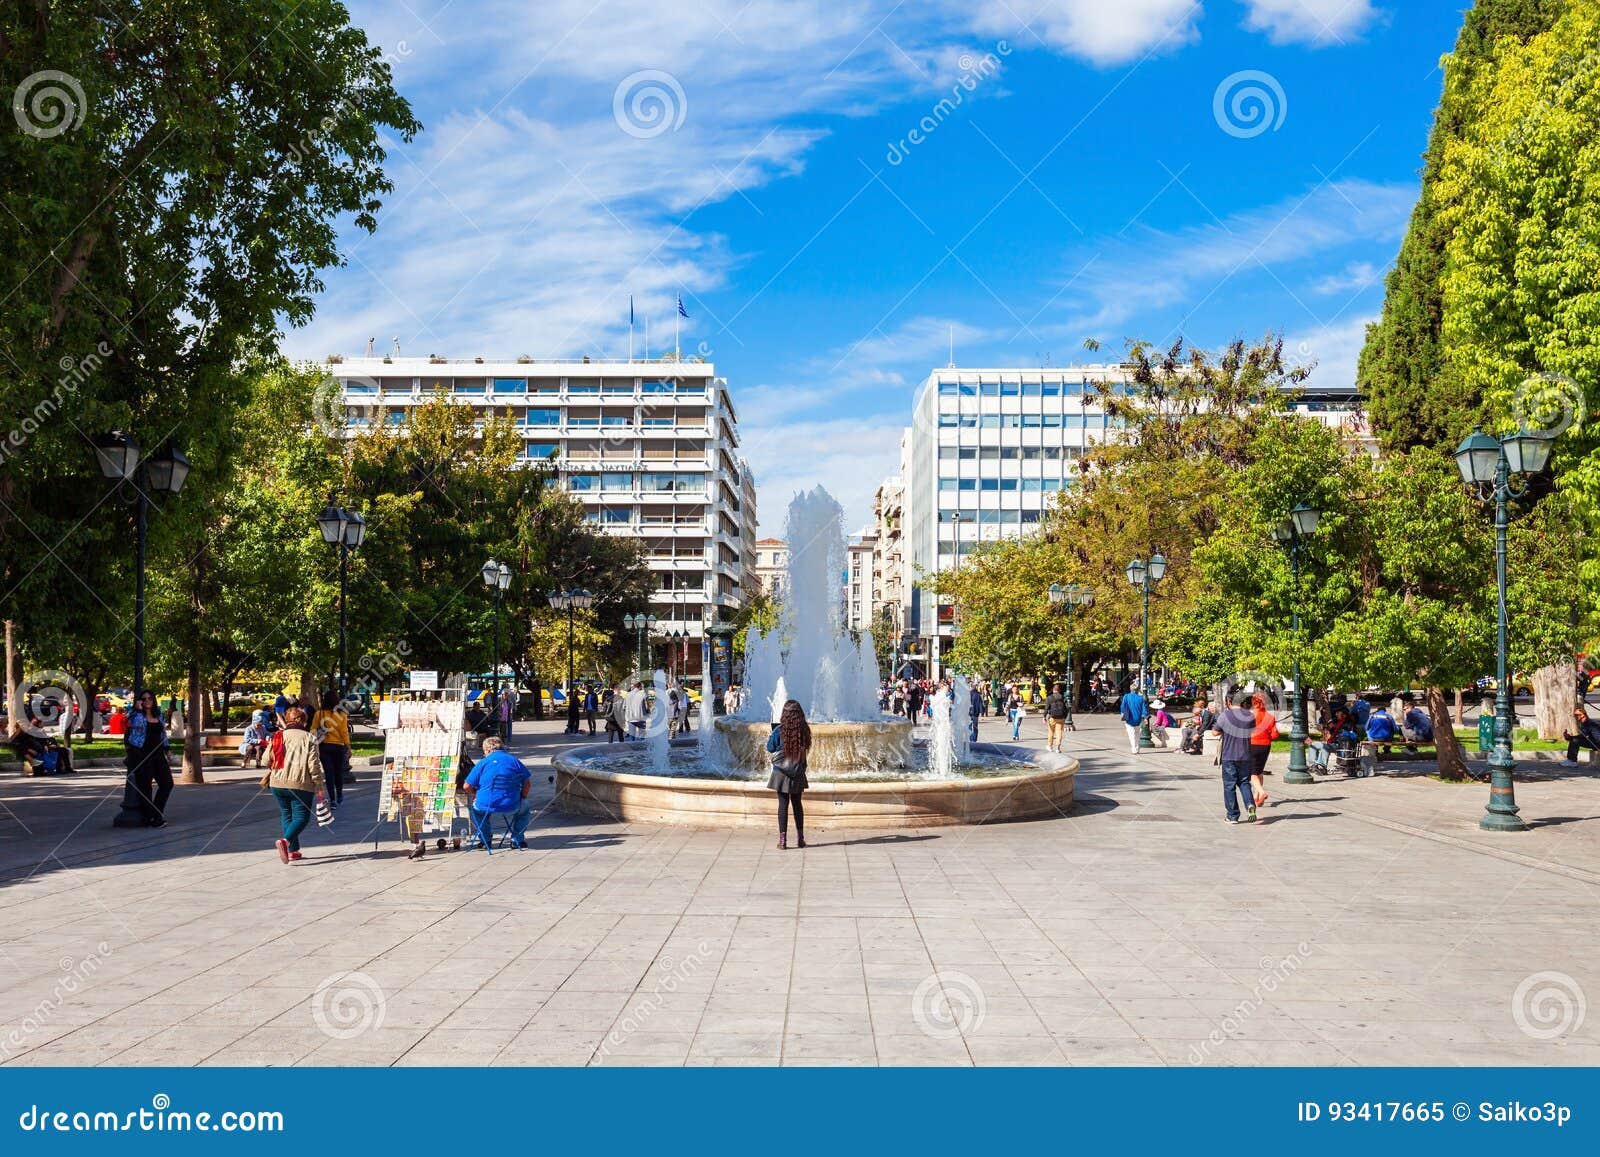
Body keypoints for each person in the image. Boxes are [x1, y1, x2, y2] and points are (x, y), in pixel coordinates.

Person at [266, 706, 328, 863]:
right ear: (303, 721)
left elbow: (265, 760)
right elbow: (314, 765)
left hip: (277, 784)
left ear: (287, 720)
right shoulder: (309, 738)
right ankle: (285, 842)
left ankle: (293, 851)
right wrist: (319, 787)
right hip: (300, 784)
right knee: (302, 817)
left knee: (287, 815)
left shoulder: (278, 736)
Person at [463, 735, 534, 848]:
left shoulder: (483, 763)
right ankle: (517, 839)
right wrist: (523, 796)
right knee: (524, 808)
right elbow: (527, 783)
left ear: (488, 750)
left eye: (484, 752)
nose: (484, 754)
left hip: (485, 804)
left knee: (477, 810)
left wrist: (475, 795)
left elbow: (466, 786)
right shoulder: (514, 760)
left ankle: (486, 839)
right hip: (511, 804)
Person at [765, 699, 811, 850]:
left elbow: (770, 748)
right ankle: (800, 838)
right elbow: (807, 747)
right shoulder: (804, 731)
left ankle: (783, 840)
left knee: (783, 805)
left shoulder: (779, 730)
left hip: (781, 773)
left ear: (784, 714)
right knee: (797, 804)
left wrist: (772, 734)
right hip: (797, 771)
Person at [124, 691, 173, 827]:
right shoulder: (134, 715)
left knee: (167, 783)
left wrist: (167, 749)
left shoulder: (158, 714)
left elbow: (163, 734)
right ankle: (151, 818)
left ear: (154, 700)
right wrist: (139, 710)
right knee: (146, 789)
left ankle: (155, 814)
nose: (147, 701)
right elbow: (136, 726)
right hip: (142, 755)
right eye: (143, 699)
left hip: (158, 755)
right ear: (139, 701)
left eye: (150, 698)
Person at [1218, 693, 1258, 823]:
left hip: (1229, 755)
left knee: (1230, 785)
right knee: (1244, 782)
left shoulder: (1225, 715)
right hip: (1245, 755)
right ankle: (1250, 804)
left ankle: (1232, 815)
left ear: (1229, 702)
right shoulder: (1249, 715)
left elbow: (1214, 732)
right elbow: (1252, 730)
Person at [311, 690, 351, 808]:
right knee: (338, 772)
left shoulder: (319, 714)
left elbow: (313, 729)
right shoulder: (341, 714)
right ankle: (339, 795)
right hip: (338, 746)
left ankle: (332, 799)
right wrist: (348, 746)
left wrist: (314, 742)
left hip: (324, 746)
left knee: (328, 773)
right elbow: (344, 732)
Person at [1249, 692, 1279, 807]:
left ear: (1253, 701)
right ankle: (1256, 797)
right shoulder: (1270, 717)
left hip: (1252, 744)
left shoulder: (1250, 715)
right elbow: (1275, 734)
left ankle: (1262, 792)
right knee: (1259, 771)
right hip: (1265, 745)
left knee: (1252, 772)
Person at [1118, 683, 1147, 756]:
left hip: (1129, 718)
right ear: (1137, 690)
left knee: (1131, 735)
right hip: (1138, 719)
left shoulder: (1126, 696)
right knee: (1137, 734)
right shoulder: (1141, 698)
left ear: (1130, 689)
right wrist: (1145, 718)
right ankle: (1137, 748)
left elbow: (1122, 707)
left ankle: (1134, 748)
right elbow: (1144, 709)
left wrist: (1122, 713)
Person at [1044, 683, 1069, 752]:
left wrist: (1044, 717)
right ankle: (1057, 748)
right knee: (1059, 732)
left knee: (1051, 732)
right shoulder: (1063, 697)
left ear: (1053, 690)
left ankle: (1050, 746)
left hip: (1052, 717)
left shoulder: (1049, 698)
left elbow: (1046, 708)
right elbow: (1067, 708)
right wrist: (1065, 716)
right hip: (1061, 717)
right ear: (1059, 690)